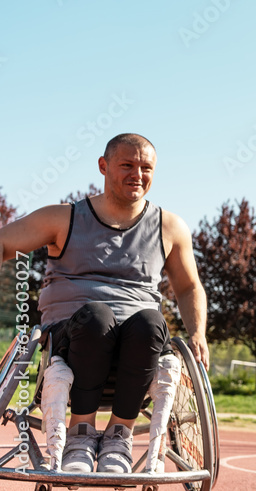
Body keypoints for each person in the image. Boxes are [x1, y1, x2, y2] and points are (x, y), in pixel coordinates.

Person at [0, 133, 209, 473]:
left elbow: (188, 287)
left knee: (152, 323)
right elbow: (5, 242)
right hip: (70, 339)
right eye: (127, 165)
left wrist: (198, 333)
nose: (137, 175)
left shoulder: (170, 227)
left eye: (146, 167)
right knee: (97, 317)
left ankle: (118, 436)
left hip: (139, 344)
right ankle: (81, 434)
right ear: (103, 166)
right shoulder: (63, 218)